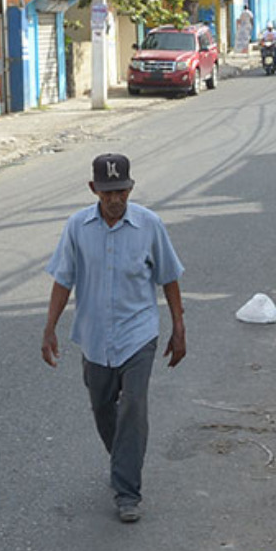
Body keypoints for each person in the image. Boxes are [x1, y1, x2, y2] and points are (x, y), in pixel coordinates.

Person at [42, 154, 186, 524]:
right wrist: (50, 328)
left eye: (120, 190)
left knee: (133, 405)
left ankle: (127, 491)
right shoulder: (77, 227)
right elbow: (63, 279)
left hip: (139, 333)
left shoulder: (149, 225)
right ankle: (122, 459)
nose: (114, 199)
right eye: (107, 192)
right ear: (94, 190)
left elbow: (169, 276)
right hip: (93, 336)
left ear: (130, 188)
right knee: (103, 407)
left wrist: (178, 327)